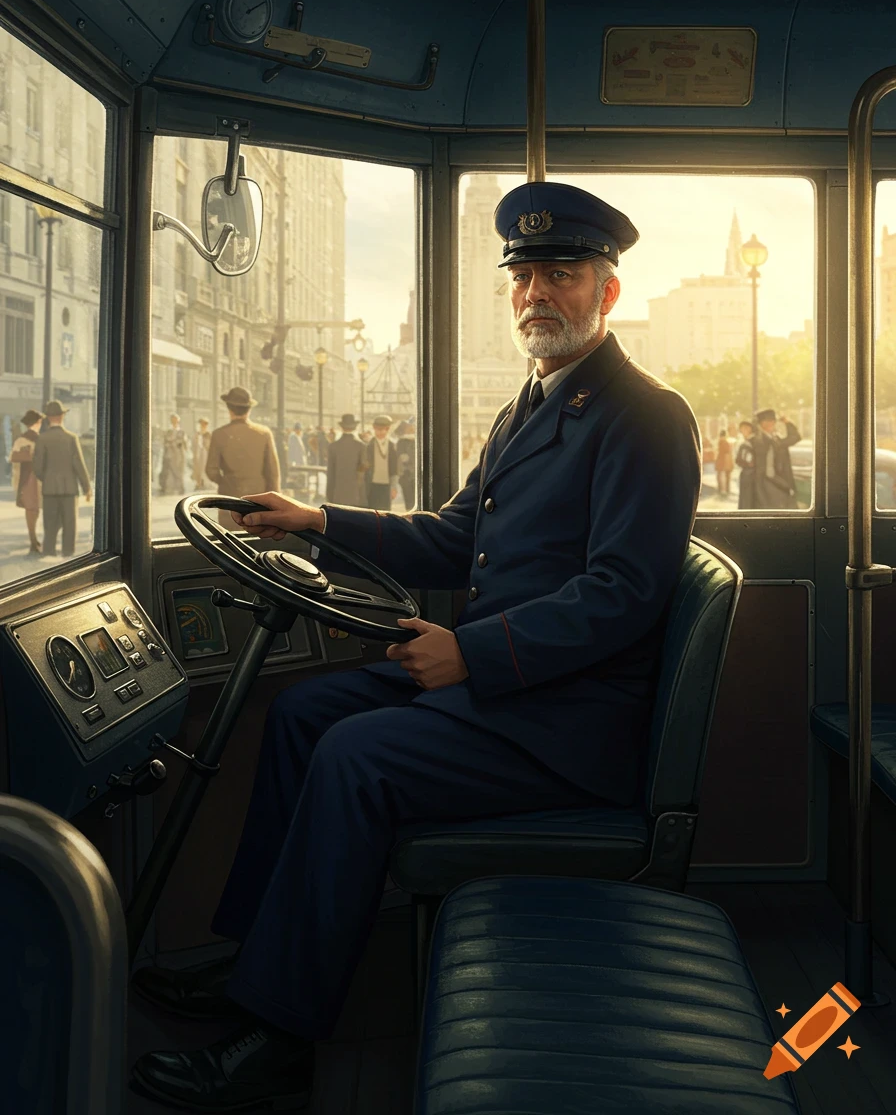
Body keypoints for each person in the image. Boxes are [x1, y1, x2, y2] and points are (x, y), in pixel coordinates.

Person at [132, 181, 702, 1112]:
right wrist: (316, 516)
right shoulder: (532, 404)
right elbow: (451, 535)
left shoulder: (644, 414)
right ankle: (254, 962)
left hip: (568, 723)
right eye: (523, 278)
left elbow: (624, 593)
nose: (536, 296)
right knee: (306, 713)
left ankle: (278, 1034)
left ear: (608, 292)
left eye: (561, 275)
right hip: (510, 692)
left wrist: (474, 655)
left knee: (357, 754)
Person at [205, 388, 280, 526]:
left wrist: (225, 481)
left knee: (230, 541)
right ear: (249, 409)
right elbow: (273, 473)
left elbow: (211, 470)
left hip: (229, 499)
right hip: (259, 500)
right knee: (258, 541)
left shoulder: (218, 434)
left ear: (229, 409)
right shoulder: (264, 433)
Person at [31, 400, 92, 557]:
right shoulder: (71, 438)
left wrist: (48, 478)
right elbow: (79, 464)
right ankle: (68, 553)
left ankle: (49, 552)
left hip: (49, 489)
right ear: (62, 416)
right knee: (70, 524)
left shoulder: (41, 439)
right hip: (70, 488)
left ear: (48, 418)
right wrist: (86, 487)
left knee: (50, 523)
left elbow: (37, 467)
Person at [9, 408, 44, 554]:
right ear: (36, 423)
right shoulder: (24, 439)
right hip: (29, 479)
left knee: (34, 510)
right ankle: (33, 541)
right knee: (32, 509)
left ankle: (34, 539)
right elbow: (14, 457)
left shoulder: (38, 437)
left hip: (38, 478)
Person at [752, 408, 801, 509]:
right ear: (762, 424)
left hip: (779, 483)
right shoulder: (760, 440)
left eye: (773, 421)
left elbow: (795, 437)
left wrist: (786, 422)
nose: (772, 423)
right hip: (771, 486)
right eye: (768, 421)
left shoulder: (775, 439)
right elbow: (765, 471)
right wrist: (784, 486)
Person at [324, 413, 366, 507]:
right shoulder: (361, 446)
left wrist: (329, 495)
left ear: (342, 427)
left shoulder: (333, 447)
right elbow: (362, 473)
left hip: (338, 494)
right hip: (355, 494)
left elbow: (330, 473)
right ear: (354, 427)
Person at [364, 414, 399, 510]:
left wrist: (394, 487)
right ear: (374, 429)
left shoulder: (392, 446)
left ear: (387, 429)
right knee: (371, 512)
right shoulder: (368, 445)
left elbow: (394, 468)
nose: (380, 432)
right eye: (378, 429)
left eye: (383, 429)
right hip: (371, 485)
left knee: (385, 512)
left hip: (386, 485)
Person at [159, 414, 188, 495]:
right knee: (169, 472)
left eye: (175, 420)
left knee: (179, 471)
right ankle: (168, 488)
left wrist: (174, 443)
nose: (174, 422)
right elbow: (165, 442)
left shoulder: (181, 432)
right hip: (169, 455)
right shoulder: (168, 431)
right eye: (172, 420)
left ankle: (180, 488)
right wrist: (171, 443)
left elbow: (183, 443)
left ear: (178, 421)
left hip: (178, 455)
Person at [395, 419, 416, 511]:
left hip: (412, 475)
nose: (412, 428)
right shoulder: (402, 441)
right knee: (410, 503)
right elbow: (403, 458)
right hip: (407, 475)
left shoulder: (414, 440)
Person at [735, 419, 756, 509]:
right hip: (746, 473)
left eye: (745, 428)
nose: (743, 431)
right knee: (745, 498)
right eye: (742, 429)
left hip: (751, 474)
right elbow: (738, 459)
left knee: (748, 499)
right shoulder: (743, 443)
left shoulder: (753, 442)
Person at [287, 422, 307, 496]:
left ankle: (299, 491)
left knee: (298, 477)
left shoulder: (296, 437)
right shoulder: (293, 437)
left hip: (299, 461)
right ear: (297, 430)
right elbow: (292, 450)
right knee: (296, 477)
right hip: (297, 461)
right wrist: (292, 461)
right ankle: (298, 492)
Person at [192, 418, 211, 490]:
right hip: (198, 452)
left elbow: (210, 445)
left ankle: (204, 482)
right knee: (198, 467)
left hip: (205, 453)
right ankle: (198, 482)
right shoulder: (197, 433)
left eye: (204, 424)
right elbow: (194, 443)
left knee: (204, 466)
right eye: (201, 424)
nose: (203, 426)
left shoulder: (208, 434)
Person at [715, 428, 733, 497]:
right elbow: (728, 452)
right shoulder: (725, 442)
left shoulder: (722, 442)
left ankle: (722, 489)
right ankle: (725, 489)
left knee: (721, 475)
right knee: (725, 476)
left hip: (723, 460)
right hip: (725, 460)